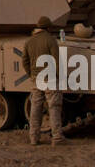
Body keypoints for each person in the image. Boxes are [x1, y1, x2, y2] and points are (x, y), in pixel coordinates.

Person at [24, 15, 66, 146]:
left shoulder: (29, 41)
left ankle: (34, 138)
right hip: (50, 79)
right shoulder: (50, 40)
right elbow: (57, 60)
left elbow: (25, 61)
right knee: (54, 107)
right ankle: (57, 138)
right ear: (48, 27)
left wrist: (31, 74)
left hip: (37, 79)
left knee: (35, 108)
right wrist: (61, 76)